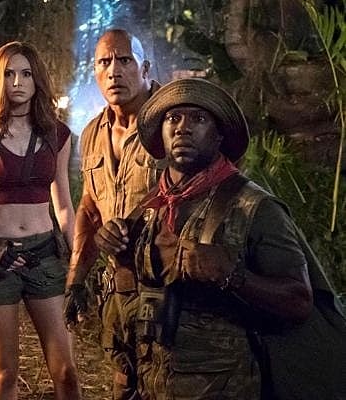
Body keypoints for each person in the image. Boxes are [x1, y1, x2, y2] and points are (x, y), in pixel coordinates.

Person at [98, 77, 314, 399]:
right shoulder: (149, 207)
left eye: (198, 118)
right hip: (148, 386)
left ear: (219, 135)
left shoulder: (254, 208)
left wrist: (232, 276)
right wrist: (115, 246)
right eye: (173, 118)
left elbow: (299, 301)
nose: (182, 128)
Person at [0, 41, 81, 400]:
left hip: (44, 257)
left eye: (26, 74)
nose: (17, 82)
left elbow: (64, 207)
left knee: (66, 371)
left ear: (37, 79)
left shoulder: (57, 134)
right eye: (8, 74)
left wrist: (78, 265)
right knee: (5, 373)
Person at [62, 28, 161, 399]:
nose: (114, 71)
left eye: (125, 60)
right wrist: (76, 281)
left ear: (145, 68)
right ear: (95, 72)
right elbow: (90, 207)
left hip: (170, 293)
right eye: (104, 62)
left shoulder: (173, 122)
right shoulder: (91, 133)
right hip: (119, 292)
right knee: (123, 383)